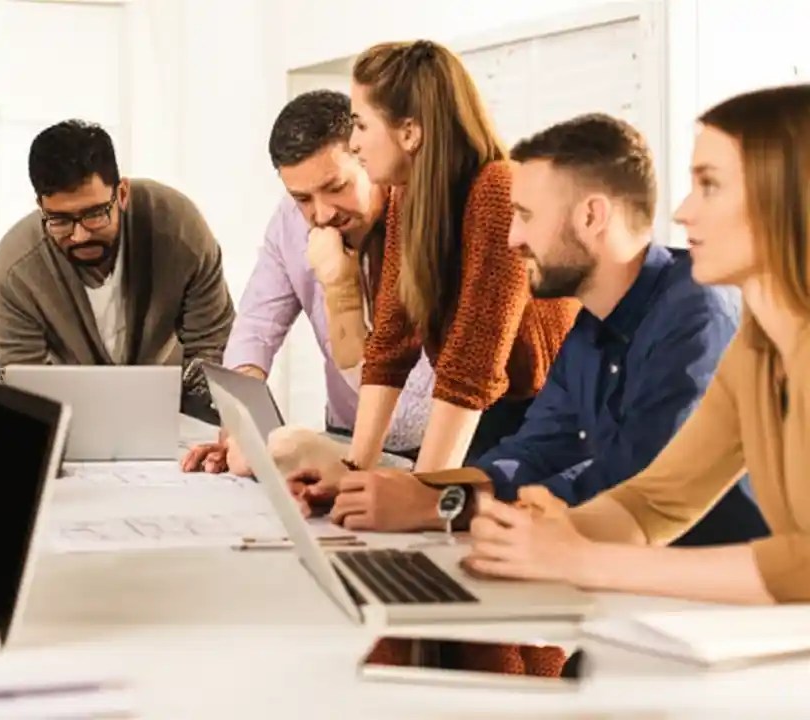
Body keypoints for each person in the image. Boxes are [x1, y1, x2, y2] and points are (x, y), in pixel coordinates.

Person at [289, 113, 768, 547]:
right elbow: (533, 453)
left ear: (591, 216)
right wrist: (398, 490)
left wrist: (439, 506)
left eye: (527, 216)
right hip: (634, 582)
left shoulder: (699, 313)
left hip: (717, 604)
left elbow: (633, 487)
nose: (512, 238)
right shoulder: (589, 327)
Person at [465, 84, 810, 605]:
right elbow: (656, 499)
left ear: (789, 195)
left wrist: (581, 558)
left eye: (710, 186)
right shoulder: (757, 349)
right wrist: (538, 539)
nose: (683, 212)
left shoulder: (715, 320)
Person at [291, 40, 578, 493]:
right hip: (489, 412)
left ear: (409, 132)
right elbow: (390, 343)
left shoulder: (497, 190)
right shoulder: (410, 196)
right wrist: (352, 471)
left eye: (362, 124)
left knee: (433, 526)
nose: (354, 142)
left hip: (548, 420)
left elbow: (473, 367)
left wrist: (418, 496)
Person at [181, 90, 434, 475]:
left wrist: (339, 286)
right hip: (345, 434)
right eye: (302, 197)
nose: (322, 213)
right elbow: (255, 327)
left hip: (439, 445)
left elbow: (409, 408)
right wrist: (241, 428)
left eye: (336, 187)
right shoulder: (290, 221)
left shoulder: (426, 219)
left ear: (366, 157)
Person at [0, 120, 235, 415]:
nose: (79, 235)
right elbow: (22, 385)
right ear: (40, 207)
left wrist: (198, 434)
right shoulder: (17, 269)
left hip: (172, 411)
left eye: (94, 214)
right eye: (60, 220)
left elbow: (212, 347)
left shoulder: (180, 230)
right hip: (70, 417)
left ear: (121, 193)